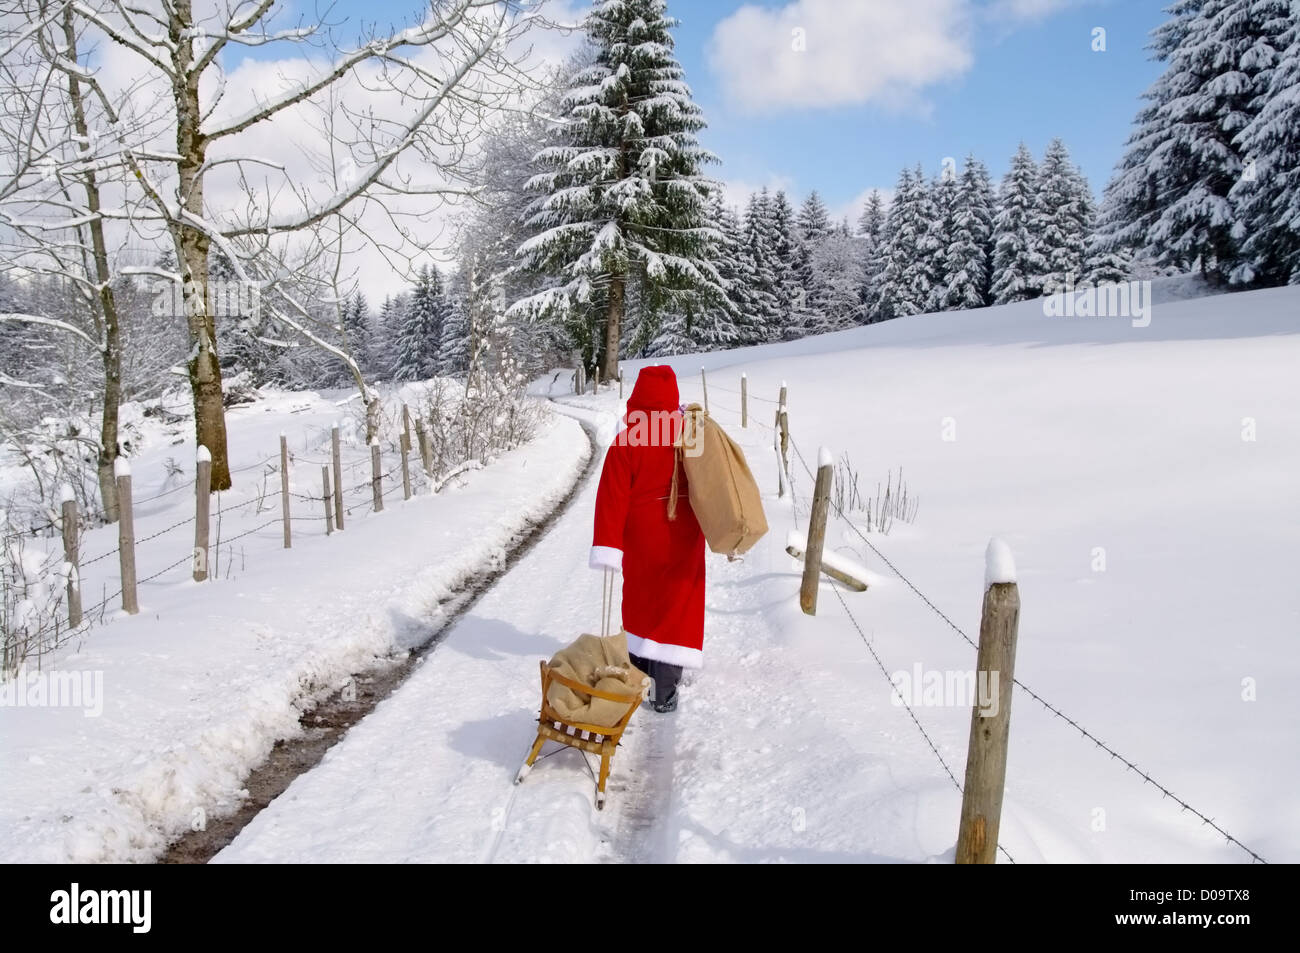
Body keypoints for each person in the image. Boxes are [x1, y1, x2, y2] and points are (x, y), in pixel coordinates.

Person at [590, 365, 705, 713]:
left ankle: (641, 676)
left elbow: (611, 497)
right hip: (684, 533)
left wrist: (608, 546)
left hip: (641, 537)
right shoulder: (691, 434)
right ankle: (666, 690)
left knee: (641, 602)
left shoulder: (627, 440)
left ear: (637, 398)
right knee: (678, 606)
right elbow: (712, 483)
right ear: (672, 398)